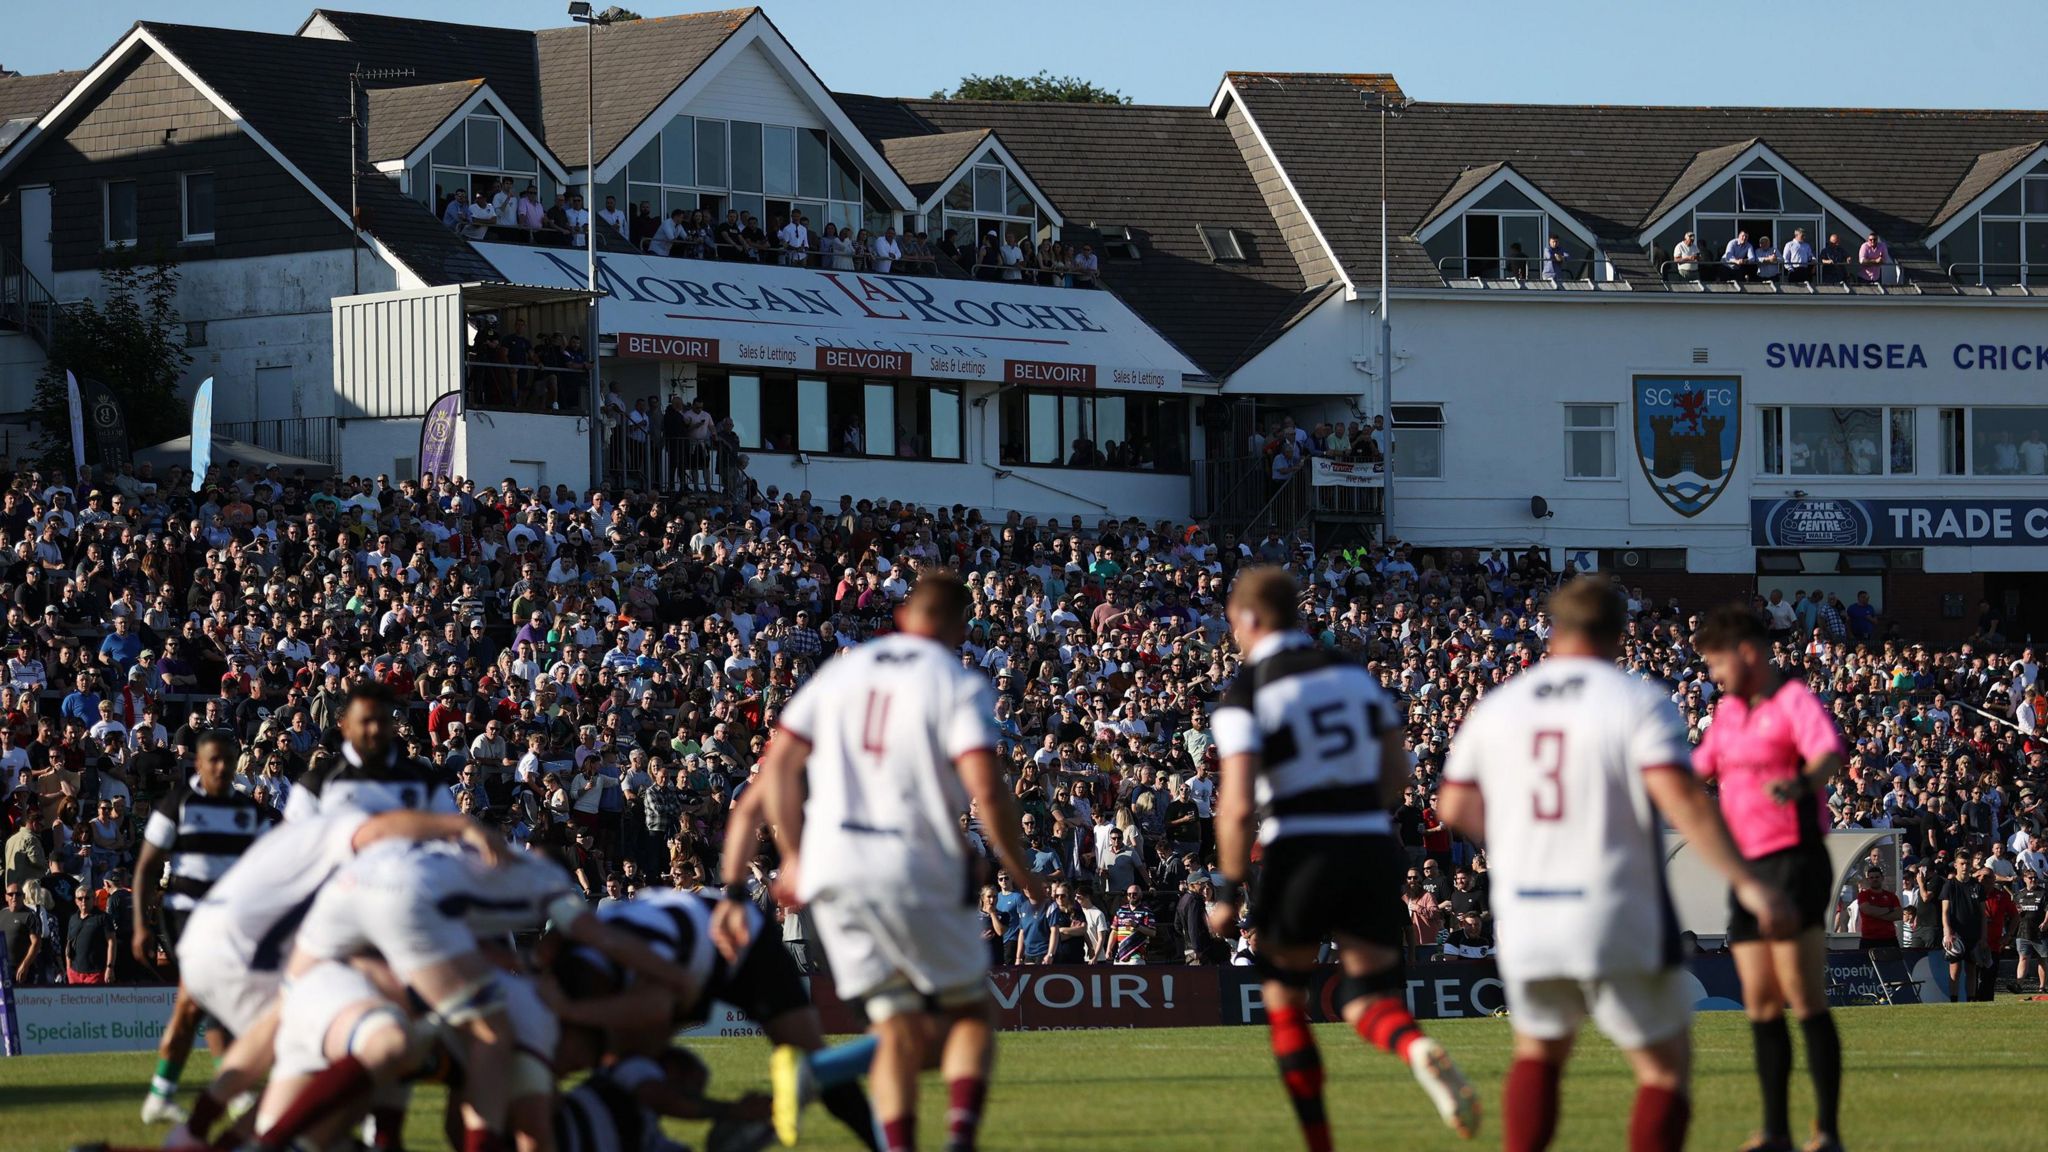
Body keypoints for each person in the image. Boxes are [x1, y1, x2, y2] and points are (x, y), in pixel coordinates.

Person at [1439, 577, 1792, 1152]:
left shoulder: (1501, 704)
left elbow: (1452, 805)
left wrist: (1518, 842)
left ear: (1553, 632)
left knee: (1540, 1054)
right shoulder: (1635, 699)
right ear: (1619, 632)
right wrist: (1749, 884)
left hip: (1526, 910)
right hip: (1613, 902)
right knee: (1662, 1066)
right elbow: (1681, 800)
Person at [740, 570, 1039, 1152]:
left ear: (902, 617)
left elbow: (777, 768)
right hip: (914, 864)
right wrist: (1021, 869)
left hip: (836, 869)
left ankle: (853, 1107)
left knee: (898, 1028)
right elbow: (988, 787)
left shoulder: (841, 670)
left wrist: (795, 856)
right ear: (959, 628)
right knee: (972, 1015)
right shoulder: (955, 682)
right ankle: (957, 1140)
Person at [1207, 566, 1479, 1149]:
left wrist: (1228, 891)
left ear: (1251, 619)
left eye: (1233, 623)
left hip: (1299, 847)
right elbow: (1397, 772)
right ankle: (1416, 1046)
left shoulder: (1246, 691)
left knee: (1284, 1000)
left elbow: (1232, 807)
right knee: (1364, 996)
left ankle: (1320, 1141)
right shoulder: (1353, 675)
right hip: (1370, 845)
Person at [1693, 605, 1849, 1152]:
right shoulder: (1727, 713)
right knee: (1759, 1002)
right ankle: (1775, 1132)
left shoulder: (1793, 701)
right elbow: (1696, 770)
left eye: (1716, 662)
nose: (1712, 674)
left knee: (1803, 995)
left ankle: (1827, 1131)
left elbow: (1828, 754)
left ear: (1748, 653)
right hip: (1747, 869)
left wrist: (1802, 785)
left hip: (1795, 858)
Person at [133, 731, 265, 1125]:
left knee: (202, 1006)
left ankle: (171, 1094)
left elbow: (269, 868)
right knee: (200, 1000)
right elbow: (146, 867)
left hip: (228, 922)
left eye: (228, 759)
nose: (221, 767)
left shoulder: (248, 811)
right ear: (199, 764)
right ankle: (225, 1093)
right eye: (214, 760)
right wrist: (141, 924)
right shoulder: (178, 805)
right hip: (186, 918)